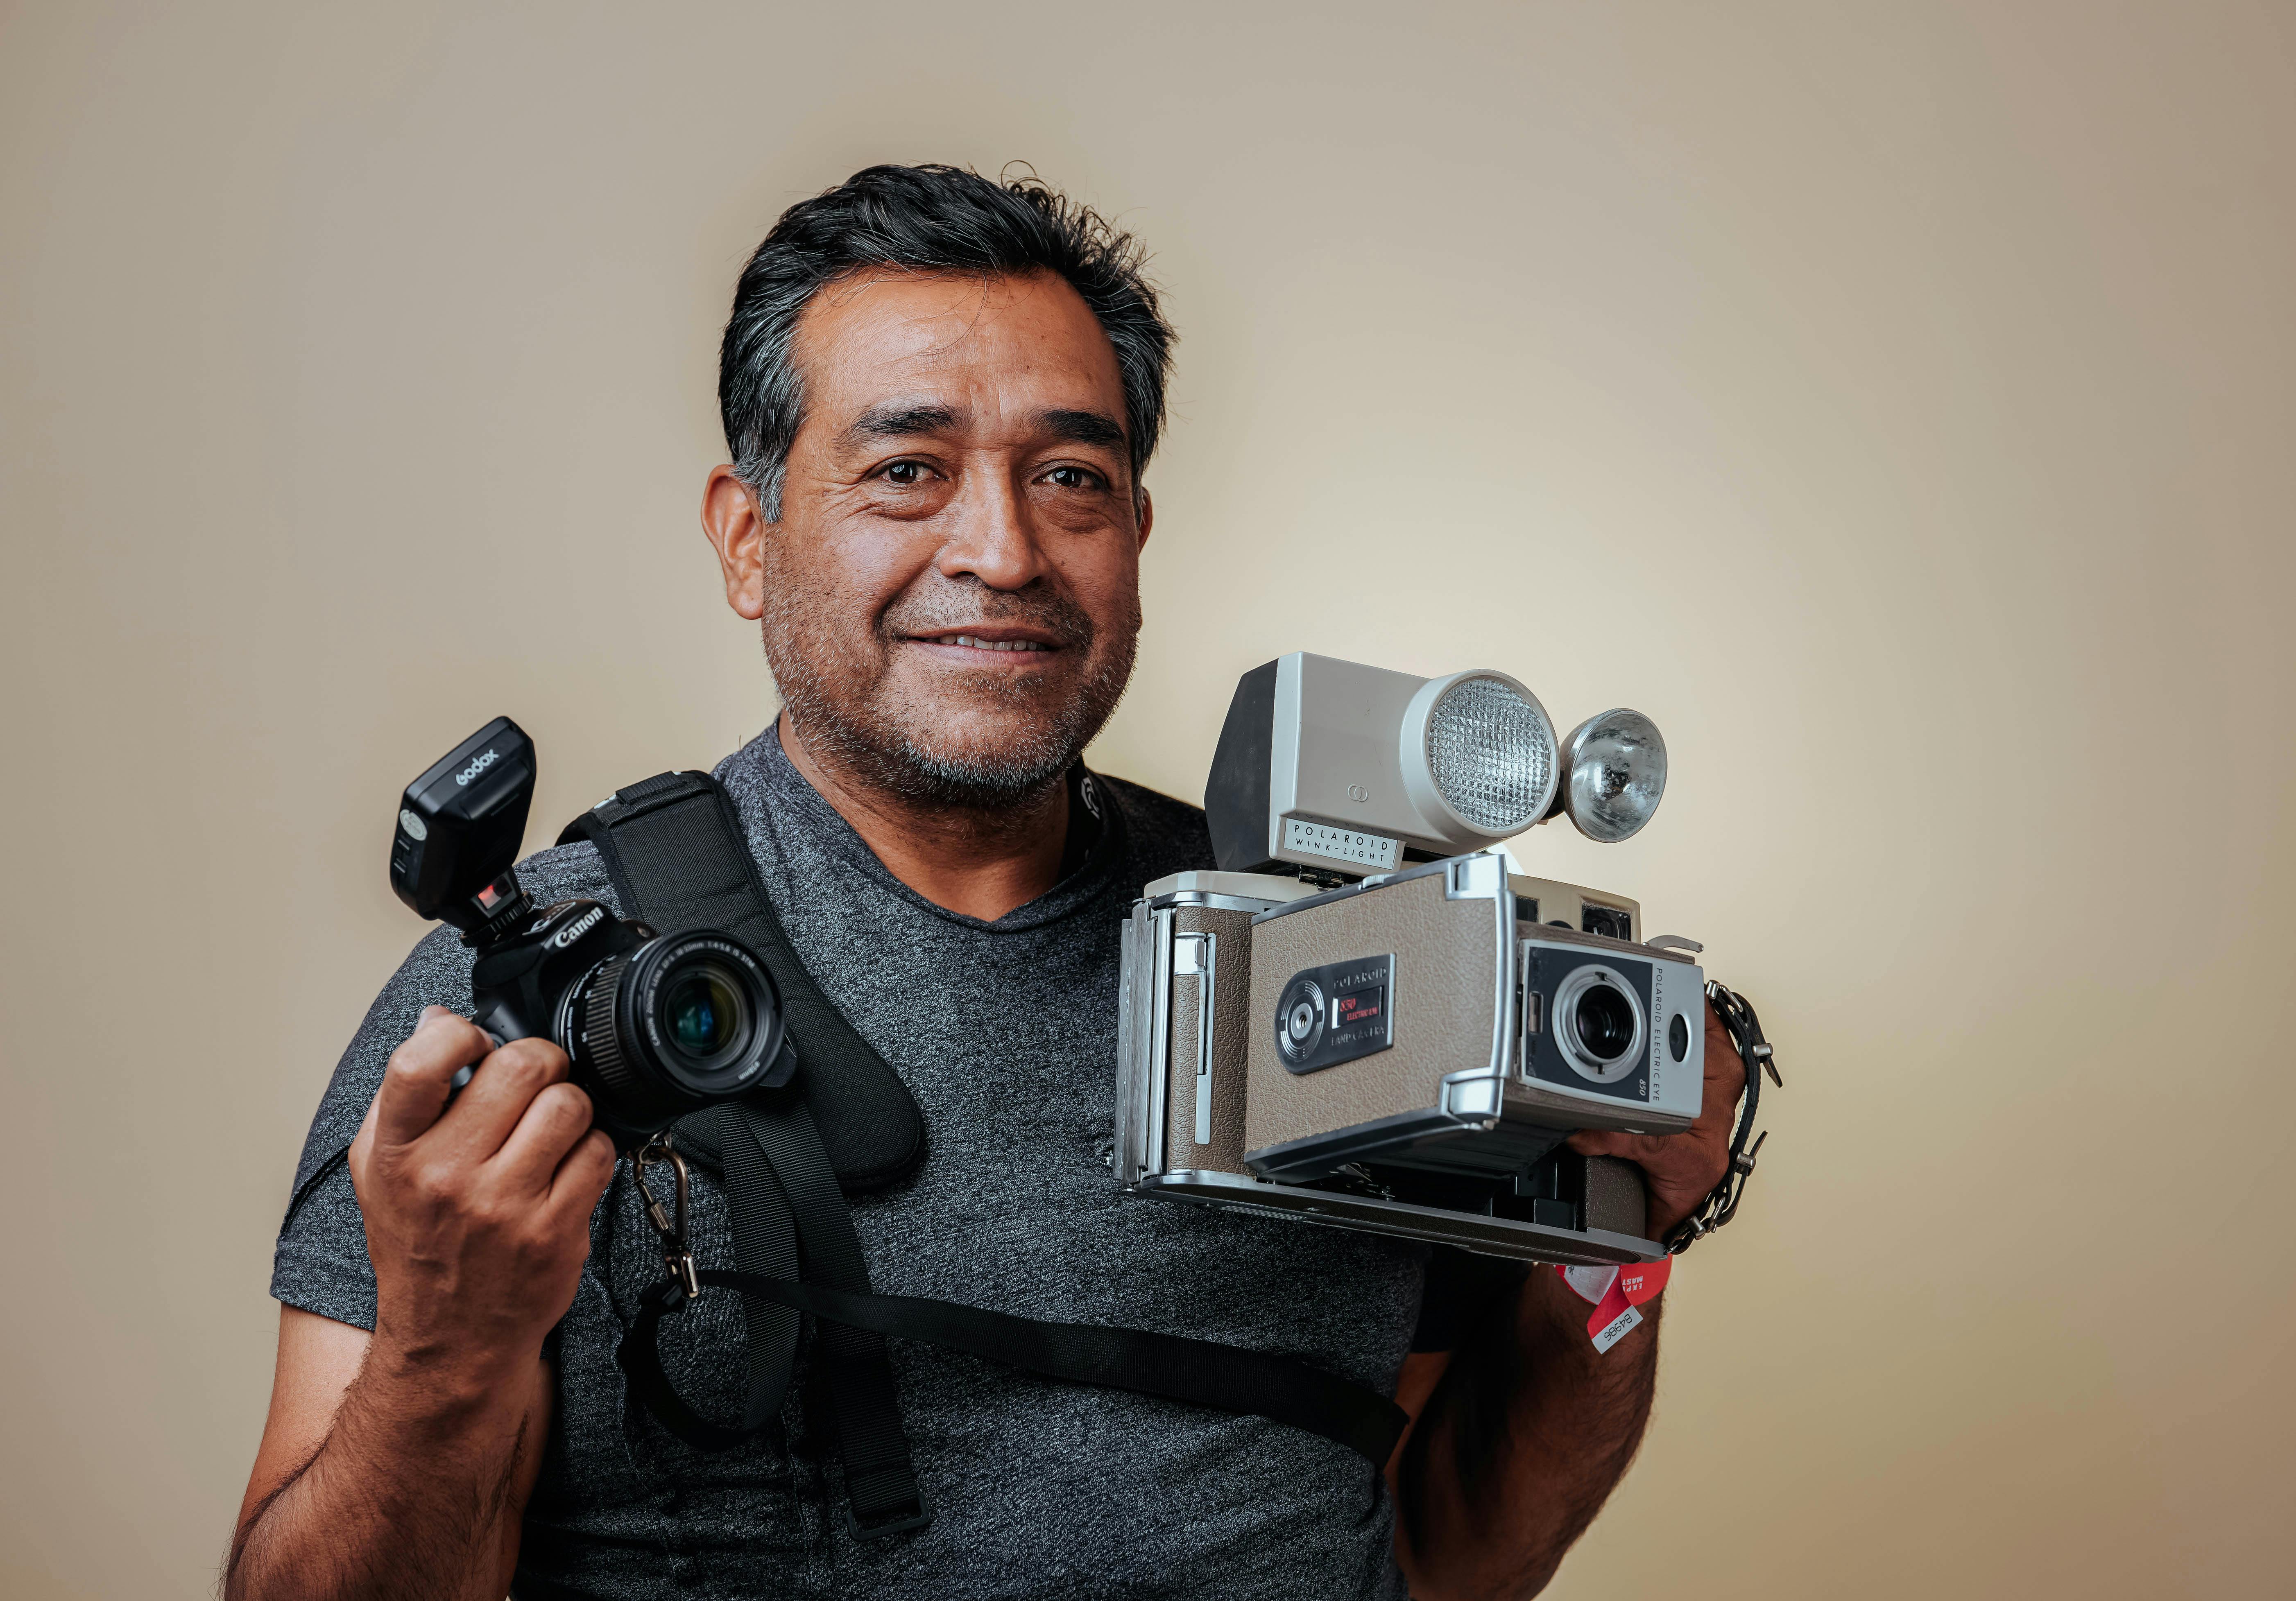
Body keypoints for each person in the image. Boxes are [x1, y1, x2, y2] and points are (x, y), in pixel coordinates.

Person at [227, 163, 1739, 1601]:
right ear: (748, 538)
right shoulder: (543, 997)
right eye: (908, 471)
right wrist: (444, 1354)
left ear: (1136, 533)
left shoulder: (1347, 968)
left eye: (1070, 475)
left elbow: (1450, 1555)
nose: (1004, 549)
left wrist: (1618, 1252)